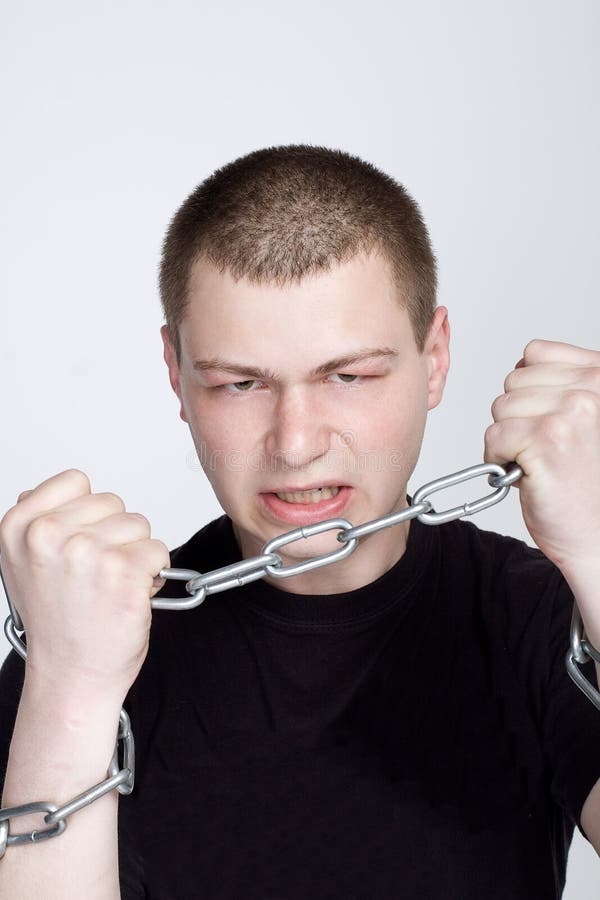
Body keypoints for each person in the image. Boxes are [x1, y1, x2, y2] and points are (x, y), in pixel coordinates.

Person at [0, 144, 599, 900]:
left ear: (435, 356)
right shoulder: (85, 641)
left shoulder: (538, 614)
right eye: (241, 383)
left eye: (348, 377)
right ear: (176, 374)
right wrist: (70, 686)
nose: (296, 442)